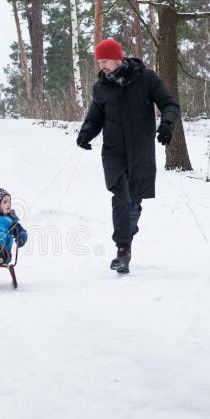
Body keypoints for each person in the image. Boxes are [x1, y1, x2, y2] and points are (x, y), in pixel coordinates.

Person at [76, 38, 180, 274]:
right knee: (121, 195)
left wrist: (167, 125)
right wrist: (85, 134)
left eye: (105, 60)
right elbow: (95, 117)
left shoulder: (146, 78)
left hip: (141, 151)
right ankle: (123, 250)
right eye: (99, 61)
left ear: (118, 58)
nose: (102, 65)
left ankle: (127, 236)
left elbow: (169, 104)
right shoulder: (100, 88)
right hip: (113, 152)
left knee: (134, 201)